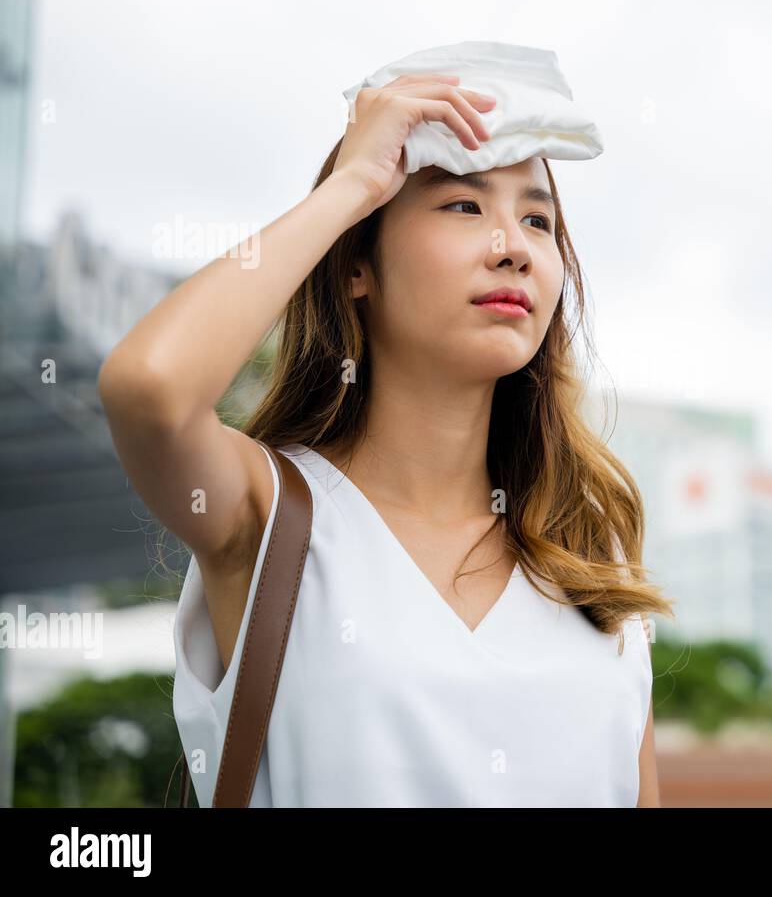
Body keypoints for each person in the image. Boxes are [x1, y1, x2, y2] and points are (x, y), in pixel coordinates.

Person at [98, 65, 676, 806]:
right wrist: (351, 185)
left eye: (538, 220)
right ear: (354, 266)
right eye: (465, 205)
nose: (514, 247)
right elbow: (149, 388)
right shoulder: (271, 517)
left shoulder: (588, 550)